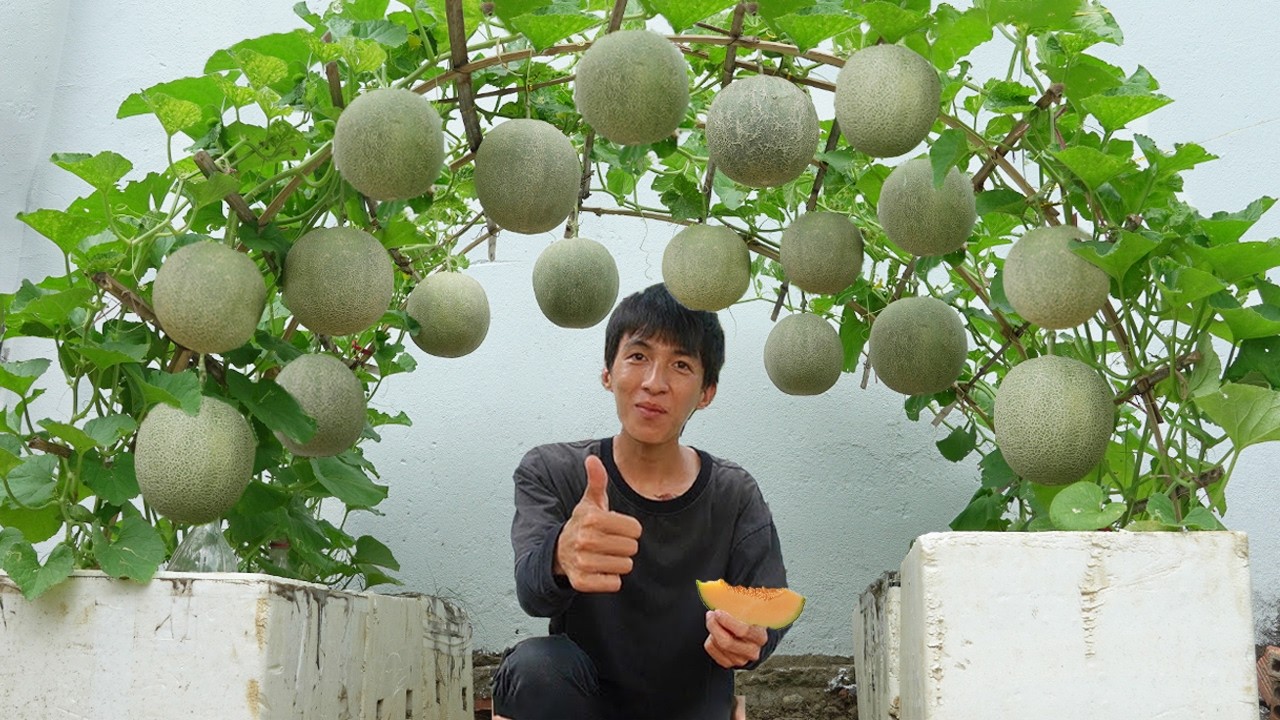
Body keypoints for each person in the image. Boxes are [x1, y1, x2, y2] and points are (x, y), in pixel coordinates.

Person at [491, 283, 791, 720]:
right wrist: (560, 555)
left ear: (706, 392)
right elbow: (533, 595)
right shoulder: (552, 471)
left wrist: (753, 632)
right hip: (581, 704)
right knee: (535, 667)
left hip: (690, 705)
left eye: (681, 365)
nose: (654, 383)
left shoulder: (733, 494)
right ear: (608, 373)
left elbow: (766, 601)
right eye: (638, 356)